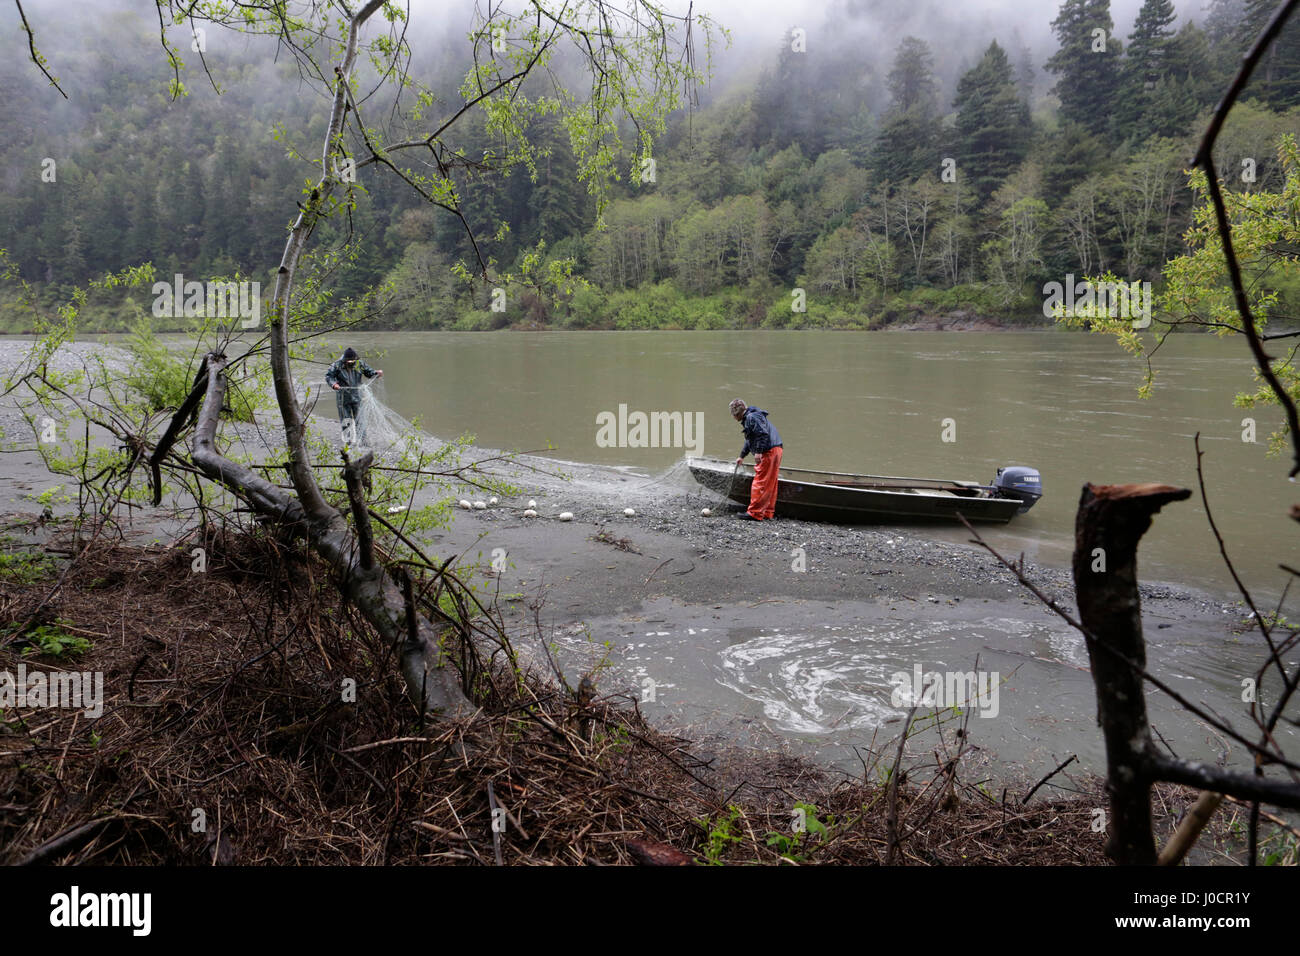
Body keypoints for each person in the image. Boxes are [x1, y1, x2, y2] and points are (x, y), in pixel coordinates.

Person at [730, 397, 783, 521]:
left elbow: (762, 434)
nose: (733, 417)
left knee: (760, 481)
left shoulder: (751, 417)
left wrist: (758, 452)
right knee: (771, 482)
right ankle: (767, 512)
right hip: (776, 449)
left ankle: (755, 513)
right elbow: (750, 440)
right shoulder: (753, 416)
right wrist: (742, 456)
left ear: (737, 413)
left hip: (768, 451)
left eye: (733, 414)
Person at [325, 347, 382, 444]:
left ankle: (363, 440)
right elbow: (329, 376)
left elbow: (369, 372)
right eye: (349, 361)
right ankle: (348, 441)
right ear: (345, 360)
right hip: (343, 397)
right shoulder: (337, 365)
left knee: (360, 418)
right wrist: (334, 384)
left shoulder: (360, 363)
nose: (351, 363)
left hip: (357, 395)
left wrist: (376, 373)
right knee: (346, 419)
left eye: (353, 361)